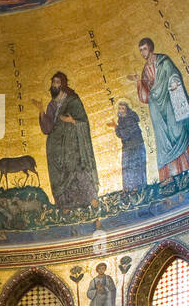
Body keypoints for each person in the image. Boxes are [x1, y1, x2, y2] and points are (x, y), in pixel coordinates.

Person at [129, 38, 189, 183]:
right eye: (140, 50)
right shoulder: (144, 70)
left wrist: (174, 82)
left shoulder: (163, 61)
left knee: (179, 130)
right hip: (155, 106)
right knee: (163, 140)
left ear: (151, 48)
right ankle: (169, 175)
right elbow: (145, 97)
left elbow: (173, 74)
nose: (142, 52)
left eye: (144, 49)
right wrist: (138, 81)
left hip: (169, 99)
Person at [33, 72, 99, 209]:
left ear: (63, 84)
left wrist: (72, 120)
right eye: (53, 83)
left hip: (72, 145)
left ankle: (92, 201)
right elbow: (47, 129)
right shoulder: (51, 105)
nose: (54, 85)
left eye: (57, 82)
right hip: (56, 147)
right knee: (60, 176)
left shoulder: (73, 101)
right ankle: (65, 207)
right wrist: (41, 110)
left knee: (77, 169)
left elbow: (83, 121)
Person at [112, 100, 147, 191]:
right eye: (119, 108)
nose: (121, 110)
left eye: (123, 108)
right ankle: (128, 188)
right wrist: (117, 128)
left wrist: (116, 127)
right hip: (127, 147)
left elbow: (126, 133)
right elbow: (120, 134)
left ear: (127, 109)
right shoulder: (121, 120)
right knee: (127, 167)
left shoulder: (131, 118)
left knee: (135, 166)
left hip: (136, 145)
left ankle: (136, 187)